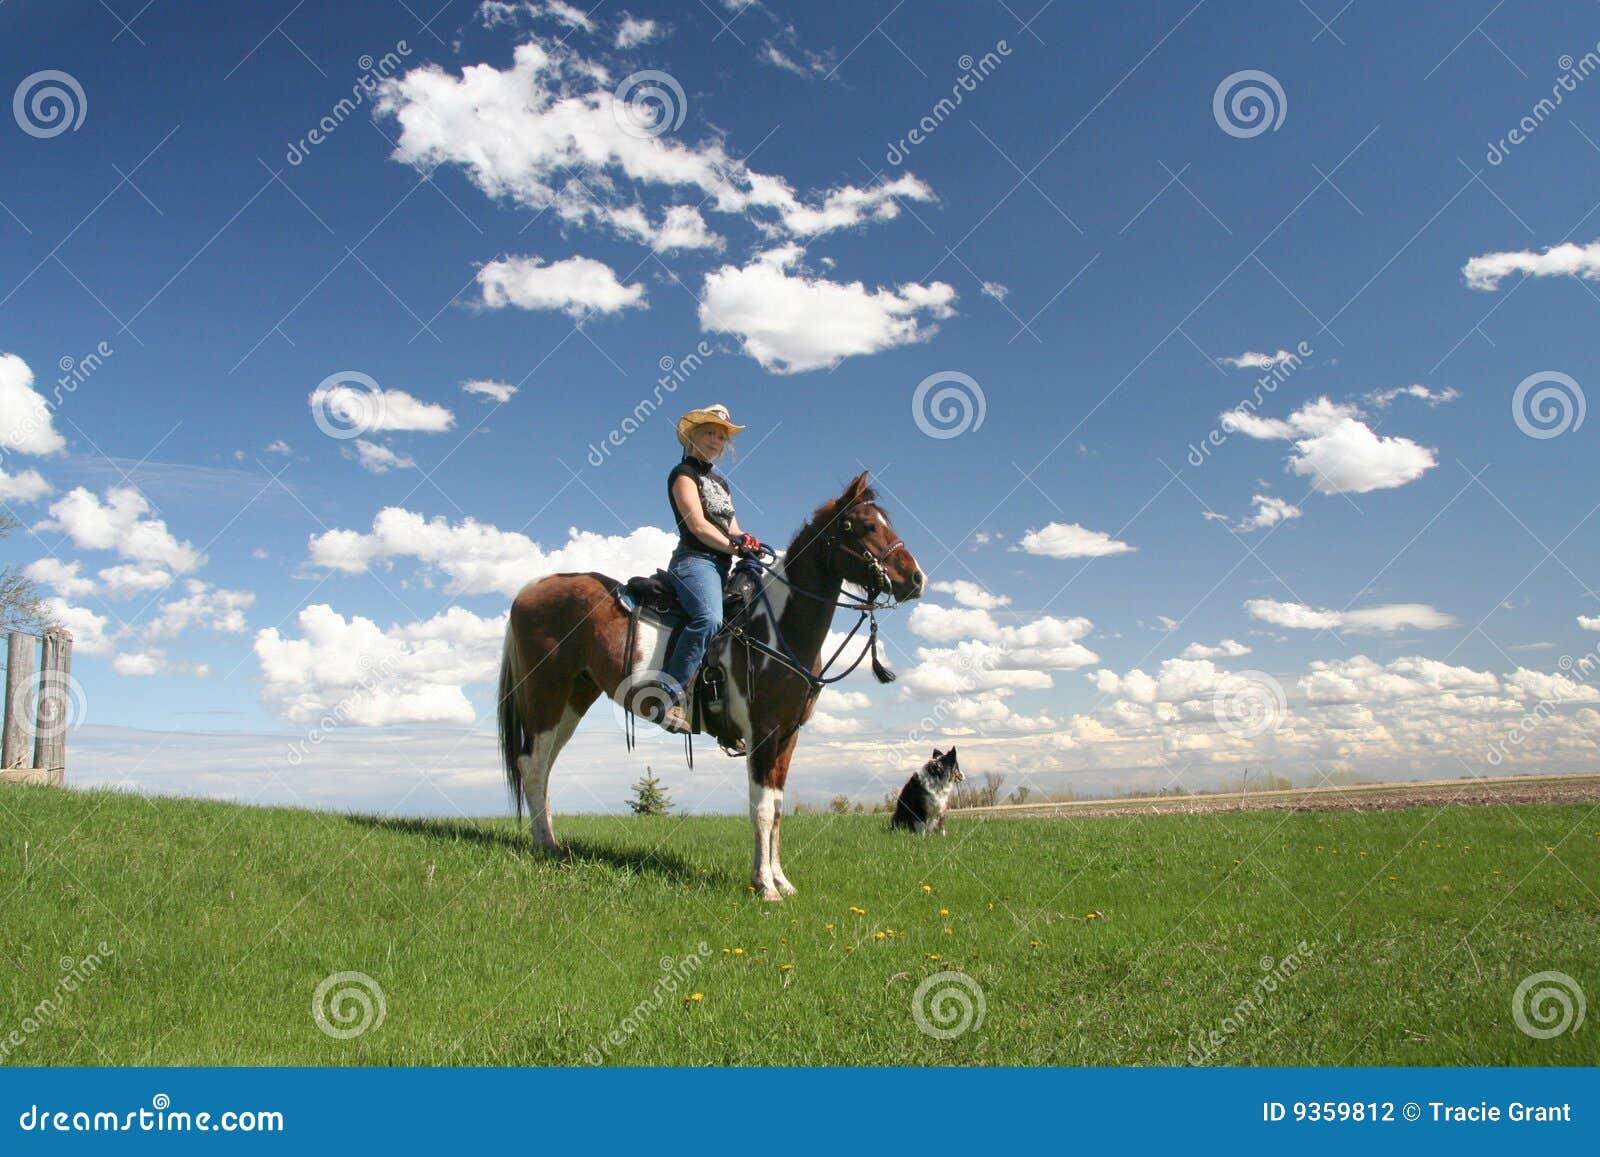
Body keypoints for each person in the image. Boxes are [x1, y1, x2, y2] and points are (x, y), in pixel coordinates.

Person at [658, 404, 763, 734]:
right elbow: (698, 526)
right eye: (709, 433)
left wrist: (748, 544)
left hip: (722, 566)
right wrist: (735, 546)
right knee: (709, 619)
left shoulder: (721, 484)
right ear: (692, 435)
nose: (716, 440)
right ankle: (668, 696)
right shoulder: (683, 474)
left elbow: (734, 529)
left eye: (721, 436)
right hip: (694, 561)